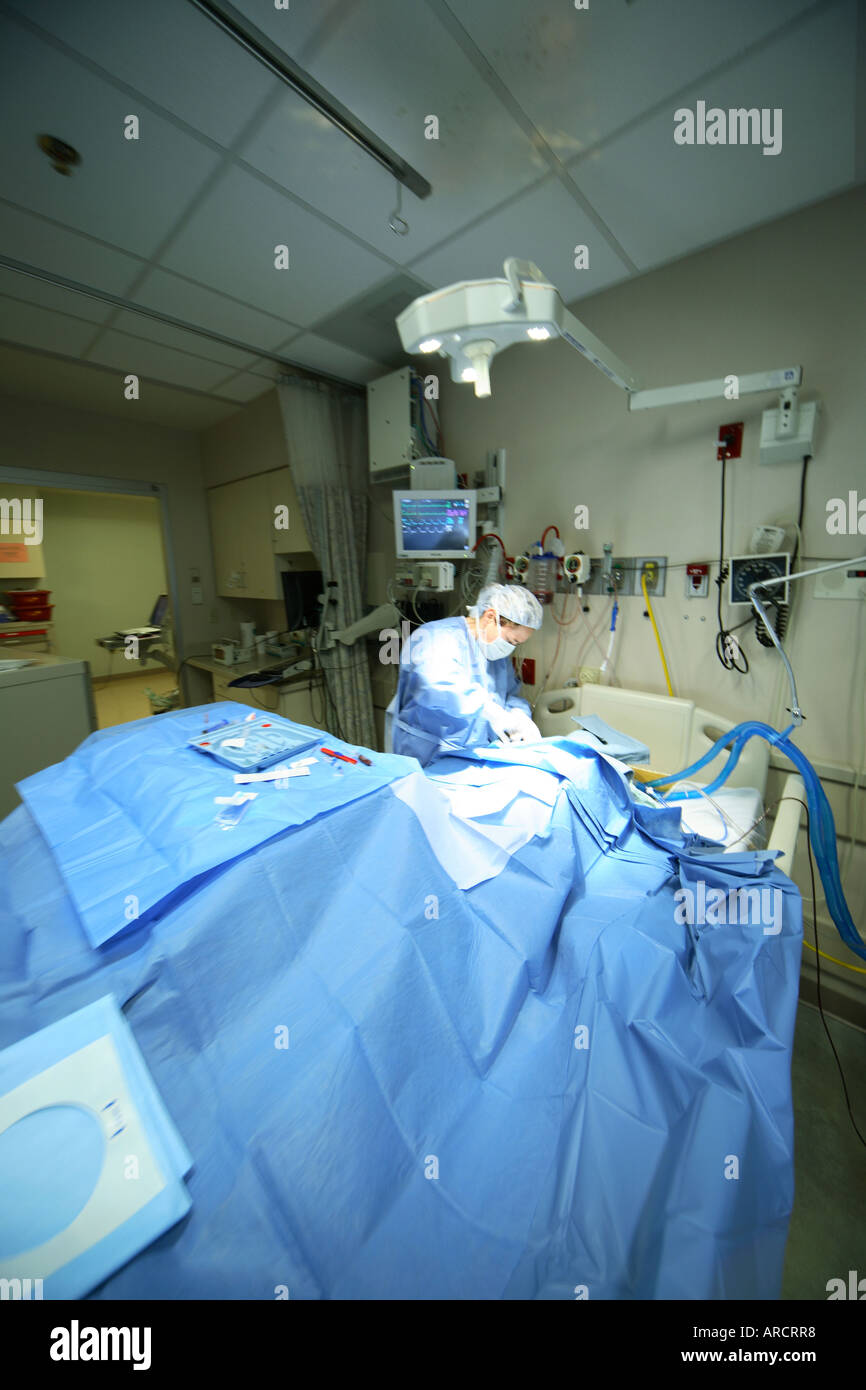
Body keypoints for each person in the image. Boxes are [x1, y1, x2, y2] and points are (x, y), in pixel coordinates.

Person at [390, 583, 544, 767]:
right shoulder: (436, 637)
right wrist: (491, 712)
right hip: (428, 754)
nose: (510, 647)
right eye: (511, 640)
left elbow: (510, 692)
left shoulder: (493, 653)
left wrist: (519, 715)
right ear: (490, 617)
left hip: (472, 756)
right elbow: (436, 689)